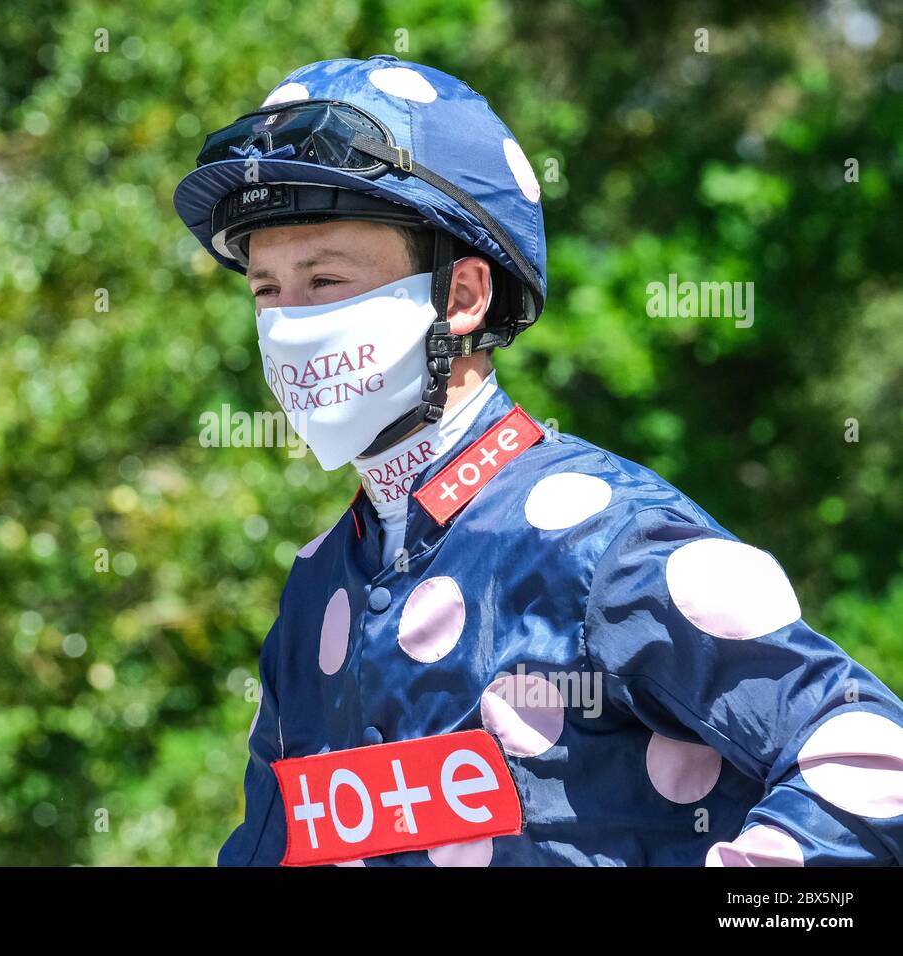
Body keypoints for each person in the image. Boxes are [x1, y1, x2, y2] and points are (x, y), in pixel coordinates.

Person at [172, 55, 903, 866]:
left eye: (327, 279)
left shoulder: (609, 548)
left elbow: (871, 764)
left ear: (461, 297)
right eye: (266, 291)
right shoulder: (317, 589)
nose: (288, 325)